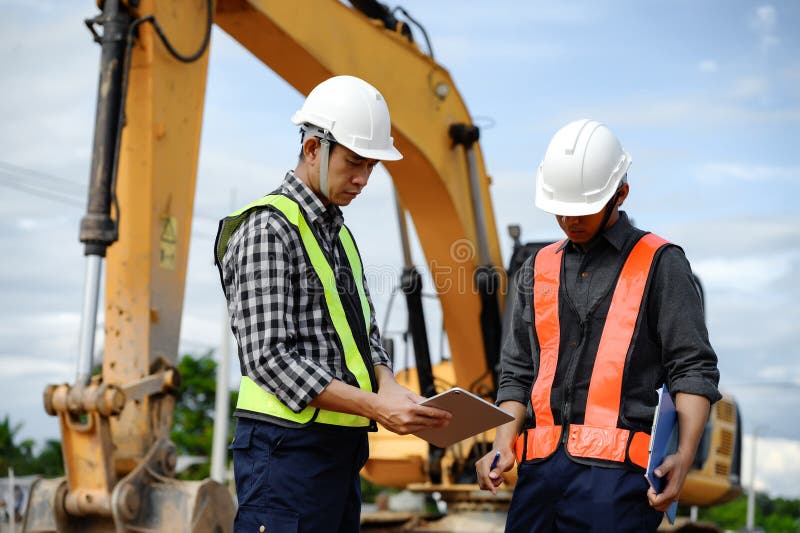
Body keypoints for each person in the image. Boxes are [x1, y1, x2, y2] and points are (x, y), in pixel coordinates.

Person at [215, 75, 451, 532]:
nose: (363, 179)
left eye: (372, 167)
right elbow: (269, 358)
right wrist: (375, 406)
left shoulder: (339, 234)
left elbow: (365, 334)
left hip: (338, 452)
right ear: (312, 150)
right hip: (285, 453)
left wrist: (387, 384)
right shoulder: (268, 228)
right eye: (354, 163)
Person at [476, 119, 721, 532]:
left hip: (618, 488)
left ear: (620, 194)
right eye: (561, 208)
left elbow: (692, 368)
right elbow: (516, 373)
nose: (570, 219)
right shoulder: (538, 268)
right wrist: (502, 443)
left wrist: (684, 453)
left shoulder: (662, 263)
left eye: (583, 207)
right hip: (538, 481)